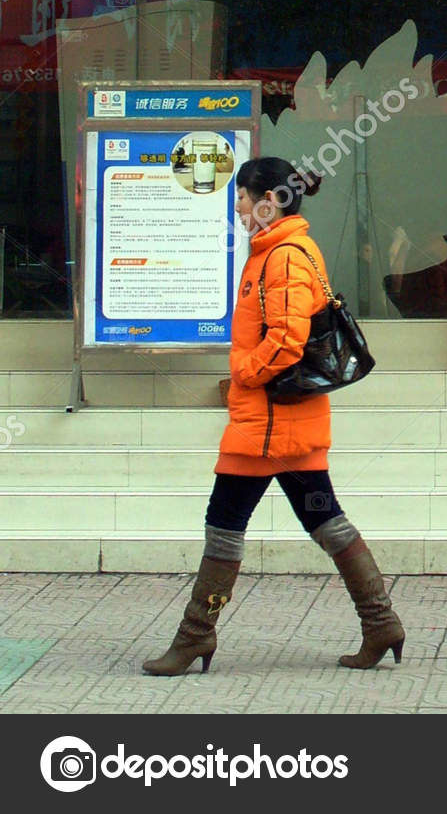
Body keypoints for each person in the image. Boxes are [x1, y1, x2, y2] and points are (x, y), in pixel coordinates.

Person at [142, 157, 404, 675]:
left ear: (269, 202)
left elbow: (284, 344)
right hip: (286, 423)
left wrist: (242, 371)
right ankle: (381, 623)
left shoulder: (281, 257)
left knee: (224, 525)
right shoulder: (282, 249)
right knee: (325, 518)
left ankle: (196, 636)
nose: (236, 207)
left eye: (242, 196)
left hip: (267, 428)